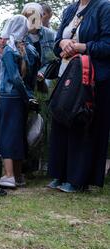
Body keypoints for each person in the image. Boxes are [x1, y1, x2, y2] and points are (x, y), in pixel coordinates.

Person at [48, 0, 110, 192]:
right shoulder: (70, 10)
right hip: (68, 76)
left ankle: (78, 179)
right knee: (62, 122)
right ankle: (60, 174)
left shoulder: (104, 7)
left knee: (84, 126)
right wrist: (63, 43)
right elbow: (56, 44)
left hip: (93, 79)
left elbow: (107, 45)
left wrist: (81, 47)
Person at [0, 15, 40, 188]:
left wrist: (25, 95)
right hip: (22, 99)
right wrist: (28, 96)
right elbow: (32, 77)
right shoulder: (30, 49)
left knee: (6, 136)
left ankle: (8, 175)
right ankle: (19, 176)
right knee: (18, 136)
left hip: (9, 98)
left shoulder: (9, 49)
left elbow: (13, 77)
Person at [21, 3, 56, 92]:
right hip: (24, 80)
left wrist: (42, 72)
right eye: (29, 17)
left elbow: (53, 59)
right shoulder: (19, 36)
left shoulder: (50, 34)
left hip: (46, 78)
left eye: (35, 17)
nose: (32, 19)